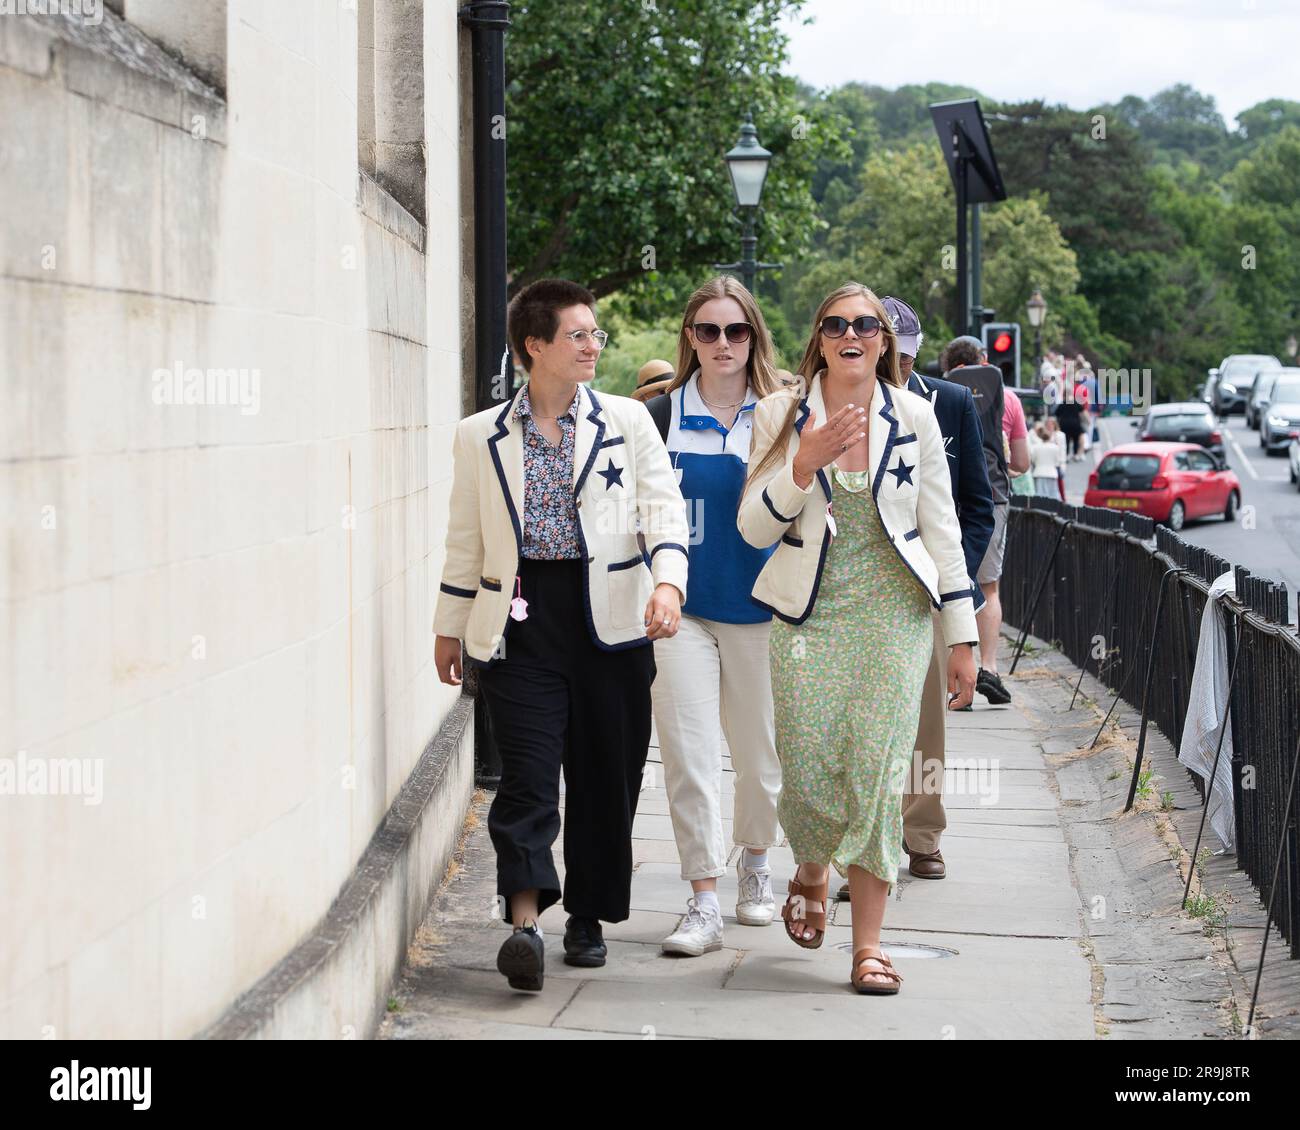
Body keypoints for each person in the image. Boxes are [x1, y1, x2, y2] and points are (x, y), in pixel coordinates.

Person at [432, 278, 690, 993]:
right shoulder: (478, 435)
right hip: (519, 621)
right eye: (577, 334)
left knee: (607, 775)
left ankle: (588, 915)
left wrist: (668, 583)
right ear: (533, 346)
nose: (592, 345)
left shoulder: (628, 423)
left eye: (596, 333)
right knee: (527, 776)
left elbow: (663, 511)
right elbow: (464, 540)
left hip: (611, 617)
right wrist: (449, 625)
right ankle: (523, 925)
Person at [738, 282, 978, 994]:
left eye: (866, 325)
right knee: (809, 772)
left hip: (895, 619)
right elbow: (753, 527)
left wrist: (961, 636)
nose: (852, 334)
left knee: (877, 777)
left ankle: (868, 947)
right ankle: (812, 868)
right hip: (806, 619)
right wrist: (803, 462)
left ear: (884, 340)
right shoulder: (781, 415)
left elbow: (944, 530)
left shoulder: (916, 418)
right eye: (837, 323)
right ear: (819, 336)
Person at [637, 277, 786, 957]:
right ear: (689, 338)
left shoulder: (783, 415)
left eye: (735, 331)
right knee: (689, 757)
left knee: (759, 758)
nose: (722, 344)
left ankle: (757, 865)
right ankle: (702, 898)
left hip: (764, 608)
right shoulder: (659, 417)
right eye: (708, 331)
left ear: (753, 335)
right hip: (682, 610)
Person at [940, 337, 1029, 707]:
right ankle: (989, 667)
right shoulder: (1007, 399)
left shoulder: (936, 393)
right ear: (985, 359)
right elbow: (1021, 462)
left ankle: (955, 672)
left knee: (945, 581)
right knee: (988, 586)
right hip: (990, 495)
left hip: (941, 497)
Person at [1030, 421, 1065, 496]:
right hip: (1052, 473)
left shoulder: (1035, 447)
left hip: (1038, 473)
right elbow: (1057, 461)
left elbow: (1033, 459)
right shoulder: (1055, 448)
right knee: (1053, 495)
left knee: (1040, 496)